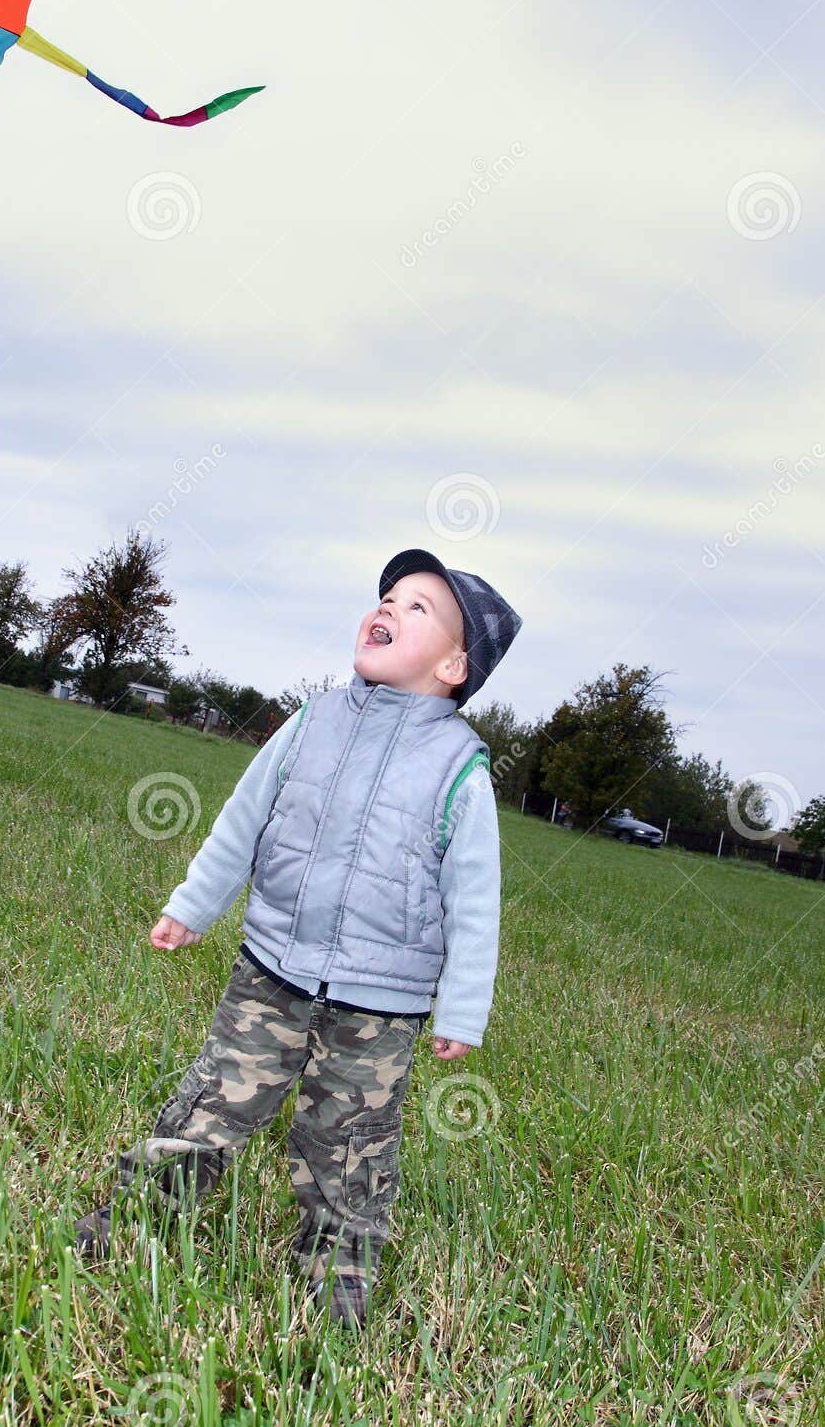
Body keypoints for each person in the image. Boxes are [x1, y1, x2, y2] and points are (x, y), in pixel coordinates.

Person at [74, 547, 522, 1329]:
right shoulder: (312, 722)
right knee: (212, 1102)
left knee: (348, 1141)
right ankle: (132, 1222)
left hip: (381, 1005)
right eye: (386, 596)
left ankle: (338, 1269)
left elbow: (474, 898)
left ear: (454, 664)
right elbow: (242, 820)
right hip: (270, 970)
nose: (387, 608)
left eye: (416, 607)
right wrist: (194, 905)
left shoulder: (460, 768)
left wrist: (461, 1010)